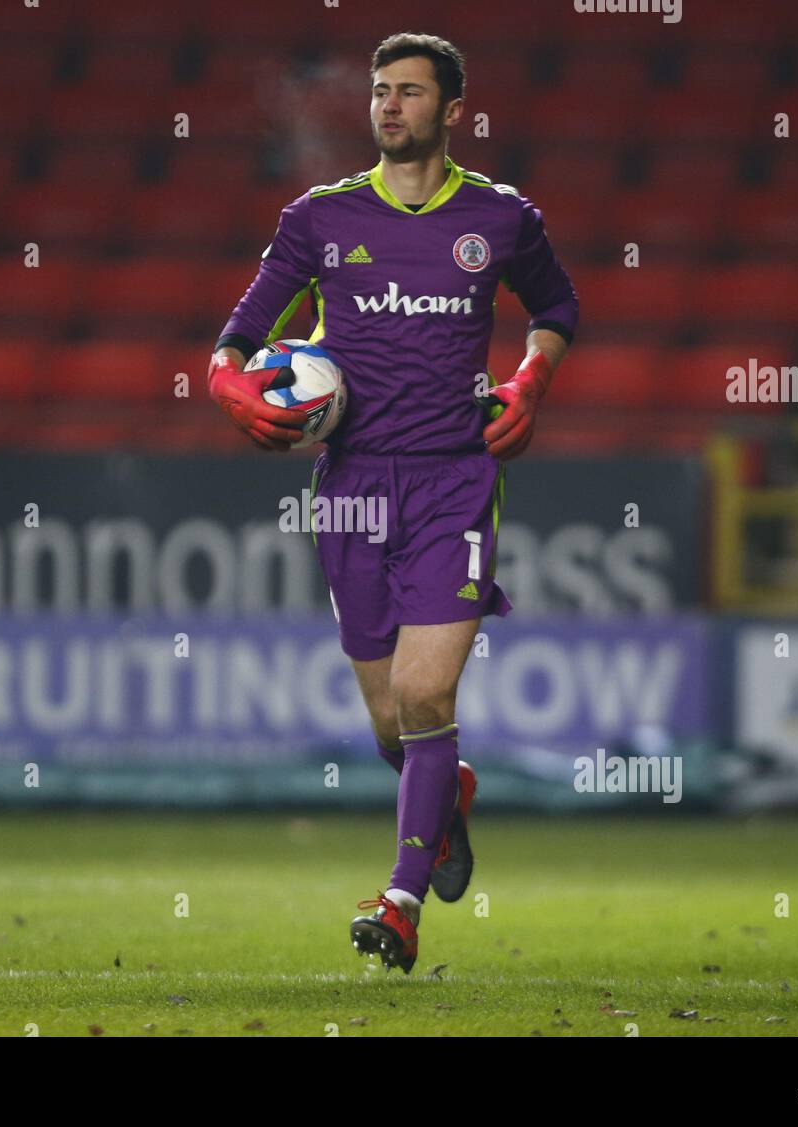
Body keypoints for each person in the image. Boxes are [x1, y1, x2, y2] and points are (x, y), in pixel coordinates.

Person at [207, 32, 578, 973]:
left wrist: (530, 381)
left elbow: (556, 310)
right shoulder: (318, 219)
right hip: (351, 489)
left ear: (452, 110)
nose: (389, 106)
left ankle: (401, 902)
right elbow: (244, 334)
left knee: (424, 692)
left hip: (454, 477)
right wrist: (228, 388)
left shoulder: (500, 218)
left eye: (410, 92)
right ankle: (446, 791)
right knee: (390, 723)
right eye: (380, 91)